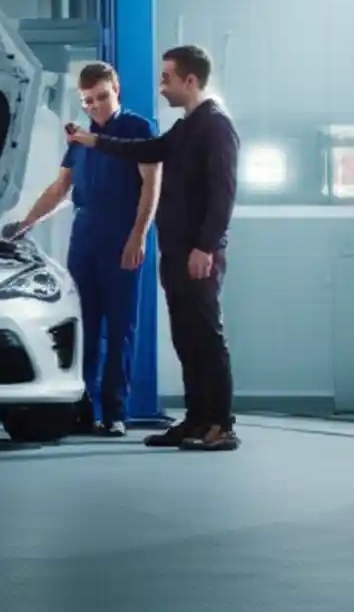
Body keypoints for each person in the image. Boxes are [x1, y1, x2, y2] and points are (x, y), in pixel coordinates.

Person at [66, 45, 240, 452]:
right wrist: (94, 141)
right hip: (176, 251)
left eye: (167, 78)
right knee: (185, 337)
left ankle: (221, 425)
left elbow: (223, 193)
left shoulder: (215, 126)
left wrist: (206, 247)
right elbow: (147, 150)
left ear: (190, 80)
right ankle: (197, 419)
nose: (161, 86)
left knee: (206, 338)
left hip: (198, 253)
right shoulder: (186, 126)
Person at [6, 62, 160, 437]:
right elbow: (60, 190)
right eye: (88, 101)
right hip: (85, 237)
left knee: (121, 327)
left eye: (102, 98)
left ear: (116, 89)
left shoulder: (140, 130)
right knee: (83, 327)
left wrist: (138, 236)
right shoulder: (81, 139)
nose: (95, 107)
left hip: (122, 235)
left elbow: (151, 186)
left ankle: (115, 413)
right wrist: (24, 224)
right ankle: (82, 411)